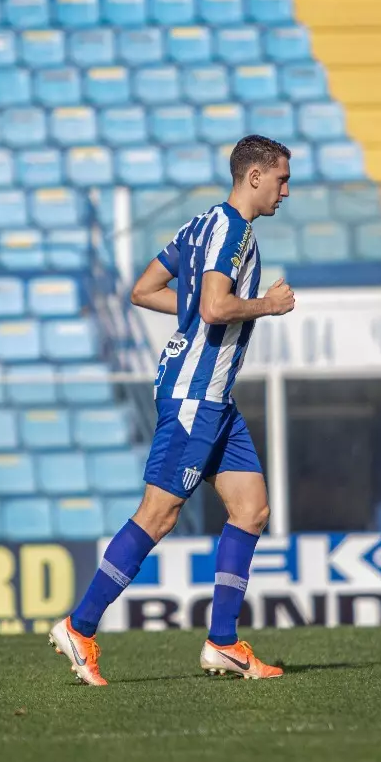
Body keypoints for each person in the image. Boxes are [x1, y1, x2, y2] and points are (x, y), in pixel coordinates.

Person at [48, 135, 296, 685]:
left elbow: (143, 289)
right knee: (158, 514)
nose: (286, 190)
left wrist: (195, 306)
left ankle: (224, 643)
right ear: (253, 177)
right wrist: (267, 306)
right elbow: (213, 306)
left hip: (214, 397)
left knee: (251, 508)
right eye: (280, 179)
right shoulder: (231, 230)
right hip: (194, 396)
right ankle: (80, 625)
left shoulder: (201, 225)